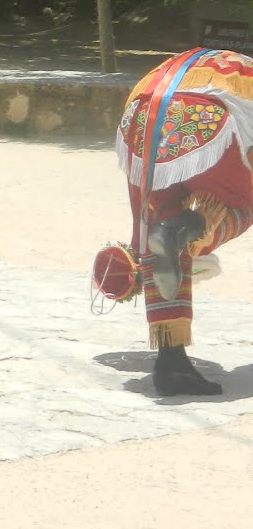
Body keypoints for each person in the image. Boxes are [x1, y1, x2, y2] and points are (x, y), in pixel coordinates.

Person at [105, 48, 253, 397]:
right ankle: (191, 229)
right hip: (207, 122)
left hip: (138, 123)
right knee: (243, 206)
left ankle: (171, 363)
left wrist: (137, 248)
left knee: (157, 234)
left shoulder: (195, 63)